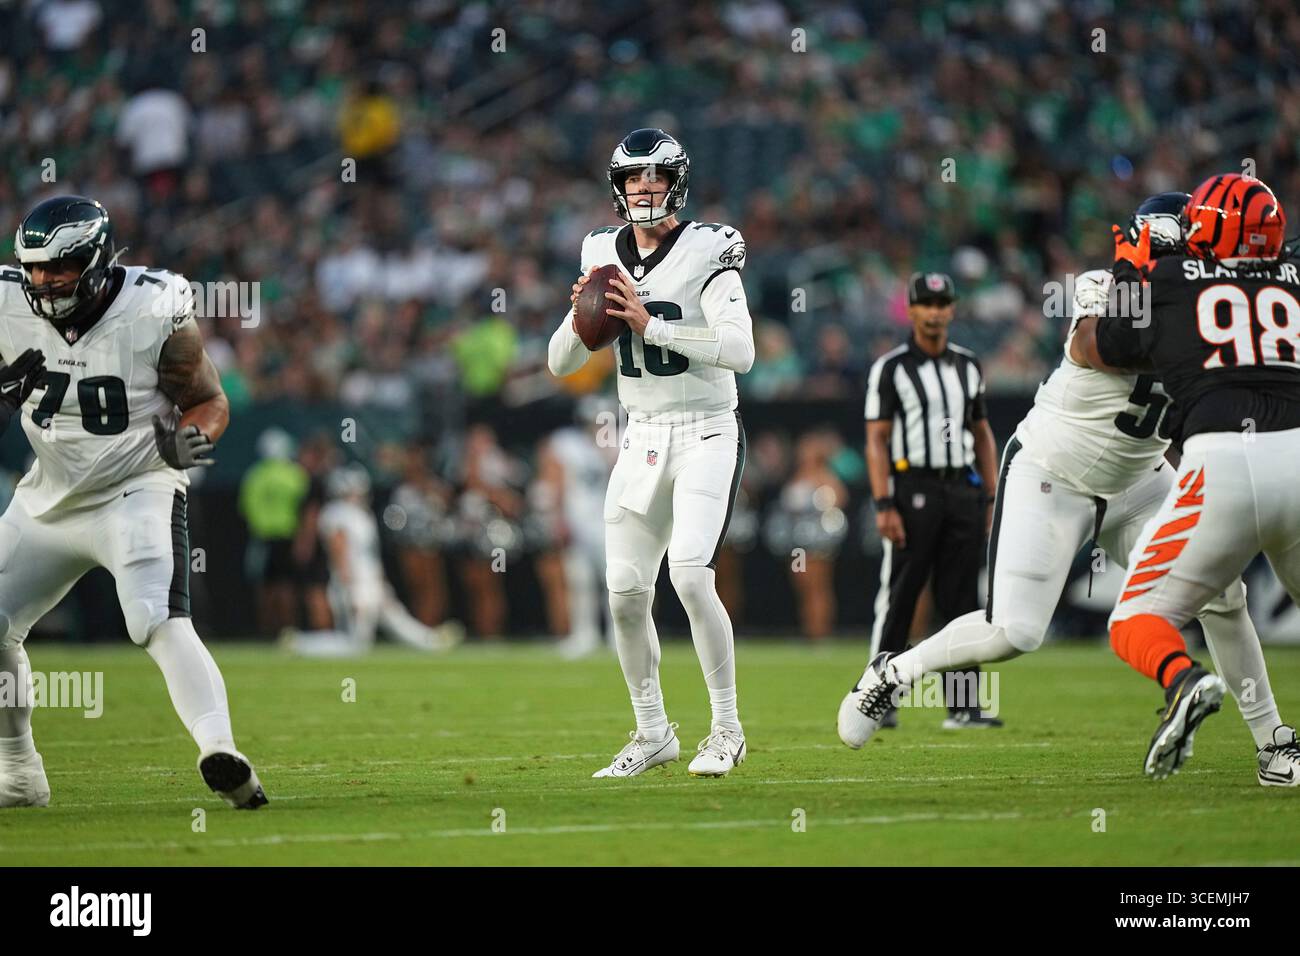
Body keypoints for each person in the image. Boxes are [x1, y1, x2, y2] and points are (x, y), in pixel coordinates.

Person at [0, 195, 265, 809]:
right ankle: (18, 771)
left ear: (94, 260)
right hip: (48, 498)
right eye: (34, 267)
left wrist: (189, 441)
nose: (43, 280)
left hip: (135, 486)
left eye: (59, 267)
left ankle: (221, 751)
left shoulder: (152, 304)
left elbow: (209, 400)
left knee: (154, 617)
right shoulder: (7, 303)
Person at [1070, 173, 1300, 780]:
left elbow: (1113, 343)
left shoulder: (1171, 280)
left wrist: (1129, 265)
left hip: (1223, 461)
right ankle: (1278, 753)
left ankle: (1186, 680)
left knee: (1135, 619)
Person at [548, 128, 754, 777]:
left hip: (707, 428)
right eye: (634, 178)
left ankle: (726, 729)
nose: (645, 188)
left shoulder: (710, 246)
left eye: (656, 177)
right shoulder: (599, 249)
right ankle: (652, 731)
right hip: (641, 435)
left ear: (675, 183)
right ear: (618, 187)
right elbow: (558, 363)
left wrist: (649, 324)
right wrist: (580, 320)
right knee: (624, 591)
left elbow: (741, 352)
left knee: (690, 575)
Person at [859, 272, 1001, 729]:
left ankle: (963, 707)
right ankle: (879, 699)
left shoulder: (968, 364)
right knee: (901, 596)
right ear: (912, 310)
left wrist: (992, 494)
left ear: (951, 310)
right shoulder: (892, 367)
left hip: (961, 488)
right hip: (913, 488)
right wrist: (884, 503)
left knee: (961, 600)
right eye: (927, 304)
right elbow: (876, 440)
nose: (936, 313)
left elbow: (981, 432)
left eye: (943, 304)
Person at [279, 464, 463, 657]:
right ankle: (300, 643)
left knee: (395, 617)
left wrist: (379, 580)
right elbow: (339, 551)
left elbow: (369, 554)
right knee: (356, 644)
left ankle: (432, 641)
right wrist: (348, 587)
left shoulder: (359, 513)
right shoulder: (336, 513)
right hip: (355, 584)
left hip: (370, 581)